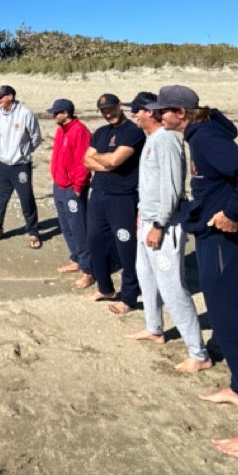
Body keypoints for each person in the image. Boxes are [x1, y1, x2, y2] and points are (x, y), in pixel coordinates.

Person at [156, 85, 238, 459]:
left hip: (226, 245)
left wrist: (234, 213)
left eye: (163, 112)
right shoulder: (201, 134)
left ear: (180, 112)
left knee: (232, 332)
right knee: (228, 326)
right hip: (213, 241)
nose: (159, 118)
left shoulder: (205, 137)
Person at [122, 91, 211, 374]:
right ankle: (154, 328)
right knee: (145, 276)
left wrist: (159, 225)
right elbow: (150, 185)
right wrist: (141, 215)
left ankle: (198, 353)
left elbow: (173, 188)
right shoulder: (151, 140)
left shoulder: (167, 141)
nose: (133, 115)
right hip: (147, 220)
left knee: (173, 288)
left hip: (165, 225)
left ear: (150, 112)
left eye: (137, 110)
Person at [83, 93, 144, 311]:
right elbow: (86, 160)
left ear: (120, 106)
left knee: (126, 247)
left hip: (123, 197)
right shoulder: (101, 132)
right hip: (99, 194)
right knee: (95, 241)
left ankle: (129, 297)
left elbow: (115, 160)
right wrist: (106, 162)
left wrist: (104, 159)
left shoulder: (133, 132)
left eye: (111, 108)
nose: (108, 113)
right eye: (103, 110)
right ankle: (105, 288)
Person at [0, 85, 43, 249]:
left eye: (1, 96)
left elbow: (36, 138)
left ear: (10, 96)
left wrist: (24, 152)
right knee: (0, 200)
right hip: (3, 164)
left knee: (26, 200)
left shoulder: (26, 114)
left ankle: (33, 232)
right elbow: (0, 135)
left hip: (21, 166)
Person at [46, 98, 93, 287]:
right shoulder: (60, 131)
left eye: (57, 113)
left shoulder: (79, 131)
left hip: (73, 187)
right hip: (59, 185)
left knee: (79, 228)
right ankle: (76, 259)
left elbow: (84, 161)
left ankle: (88, 270)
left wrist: (78, 186)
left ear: (66, 113)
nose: (54, 116)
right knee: (65, 225)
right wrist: (56, 177)